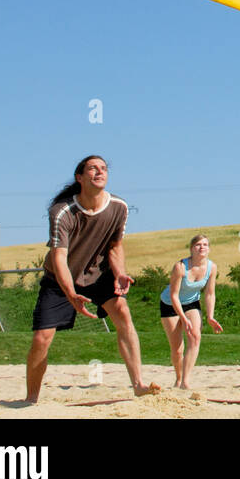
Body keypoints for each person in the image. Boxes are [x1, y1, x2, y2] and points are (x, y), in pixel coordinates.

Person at [25, 155, 160, 402]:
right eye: (92, 168)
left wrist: (119, 272)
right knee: (42, 337)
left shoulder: (119, 207)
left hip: (98, 274)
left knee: (123, 314)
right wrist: (70, 293)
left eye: (103, 168)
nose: (99, 172)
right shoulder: (62, 211)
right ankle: (31, 398)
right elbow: (59, 259)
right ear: (80, 177)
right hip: (60, 278)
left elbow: (115, 246)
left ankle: (139, 384)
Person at [159, 234, 223, 390]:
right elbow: (174, 295)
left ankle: (185, 382)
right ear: (191, 248)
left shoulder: (211, 267)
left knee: (195, 337)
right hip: (170, 304)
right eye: (198, 245)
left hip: (192, 302)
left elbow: (210, 293)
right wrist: (182, 318)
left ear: (209, 249)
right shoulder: (180, 267)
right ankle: (178, 377)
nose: (202, 247)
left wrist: (210, 316)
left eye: (205, 245)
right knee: (177, 348)